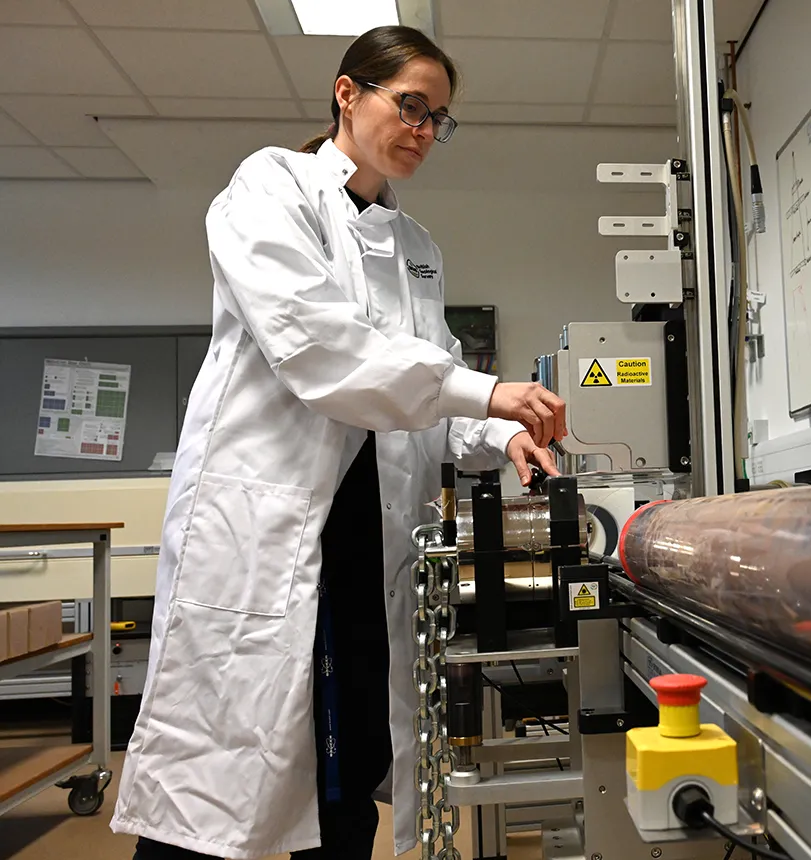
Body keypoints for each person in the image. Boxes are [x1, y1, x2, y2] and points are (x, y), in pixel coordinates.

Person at [109, 25, 565, 860]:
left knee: (346, 770)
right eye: (411, 106)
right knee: (216, 791)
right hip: (267, 531)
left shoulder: (416, 249)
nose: (424, 130)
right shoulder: (268, 189)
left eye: (440, 118)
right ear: (347, 93)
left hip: (366, 539)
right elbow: (324, 353)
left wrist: (503, 434)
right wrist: (483, 391)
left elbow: (433, 384)